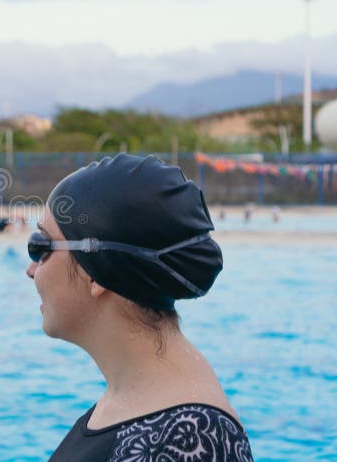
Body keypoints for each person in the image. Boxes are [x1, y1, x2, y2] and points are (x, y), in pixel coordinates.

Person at [26, 154, 253, 461]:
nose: (31, 269)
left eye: (41, 247)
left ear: (96, 270)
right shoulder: (133, 403)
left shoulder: (190, 437)